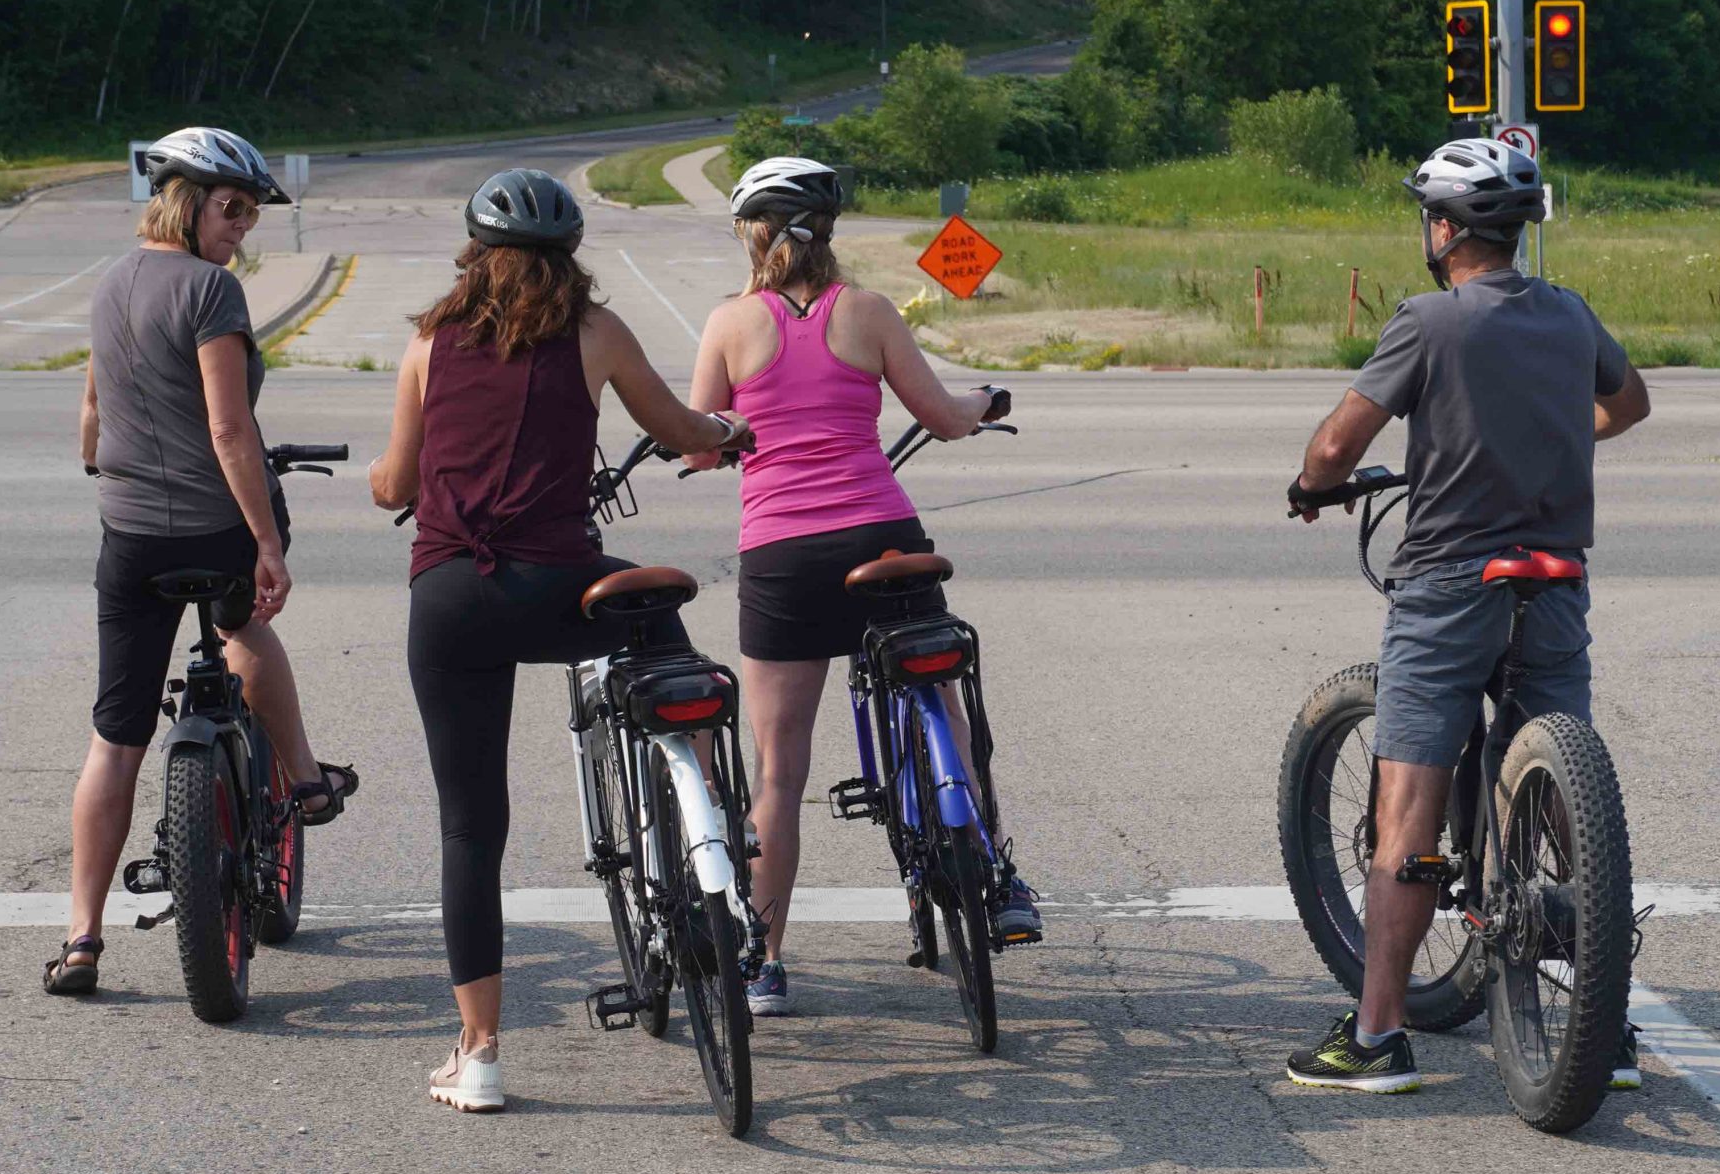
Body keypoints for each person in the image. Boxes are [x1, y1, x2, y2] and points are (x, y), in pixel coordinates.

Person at [370, 167, 750, 1115]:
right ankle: (700, 816)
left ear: (475, 254)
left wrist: (391, 478)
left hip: (453, 596)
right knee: (661, 626)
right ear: (570, 257)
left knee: (470, 826)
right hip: (563, 588)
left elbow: (393, 484)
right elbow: (679, 429)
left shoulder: (429, 342)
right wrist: (724, 430)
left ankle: (480, 1054)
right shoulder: (597, 332)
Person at [1283, 136, 1651, 1093]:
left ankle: (1375, 1038)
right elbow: (1629, 404)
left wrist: (1313, 485)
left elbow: (1336, 446)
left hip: (1451, 583)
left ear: (1445, 230)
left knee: (1405, 810)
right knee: (1557, 797)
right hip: (1554, 579)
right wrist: (1556, 435)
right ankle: (1603, 1029)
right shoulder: (1569, 313)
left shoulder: (1429, 321)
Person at [685, 155, 1038, 1020]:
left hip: (784, 558)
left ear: (752, 235)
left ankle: (764, 961)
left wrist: (733, 438)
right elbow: (943, 418)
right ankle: (993, 873)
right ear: (829, 233)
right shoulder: (871, 311)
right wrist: (984, 399)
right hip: (883, 539)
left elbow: (698, 443)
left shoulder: (730, 323)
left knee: (779, 768)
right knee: (946, 703)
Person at [52, 127, 357, 997]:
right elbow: (230, 430)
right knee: (246, 623)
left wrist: (111, 473)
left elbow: (91, 417)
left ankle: (81, 938)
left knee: (116, 738)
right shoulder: (212, 290)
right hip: (215, 529)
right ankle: (305, 781)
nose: (242, 227)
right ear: (185, 203)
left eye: (251, 214)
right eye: (232, 209)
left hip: (131, 538)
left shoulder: (110, 284)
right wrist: (266, 542)